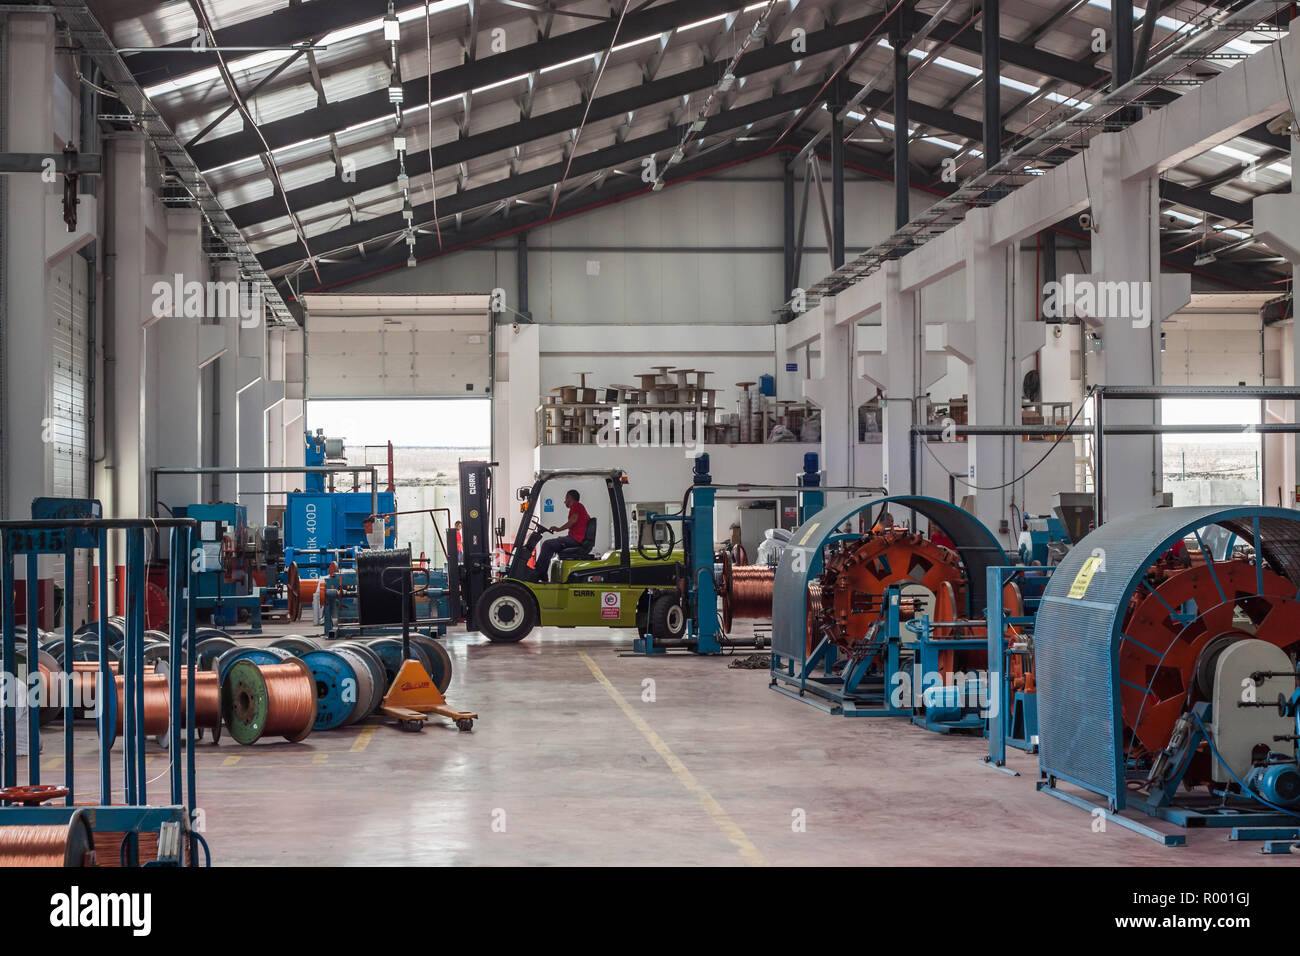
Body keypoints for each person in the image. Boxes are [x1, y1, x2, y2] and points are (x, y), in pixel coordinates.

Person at [536, 489, 590, 583]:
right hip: (575, 539)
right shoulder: (578, 507)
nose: (565, 501)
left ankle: (539, 574)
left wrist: (558, 529)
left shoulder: (576, 505)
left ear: (570, 498)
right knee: (551, 544)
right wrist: (564, 537)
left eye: (566, 498)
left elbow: (573, 520)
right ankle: (541, 573)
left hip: (576, 540)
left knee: (547, 544)